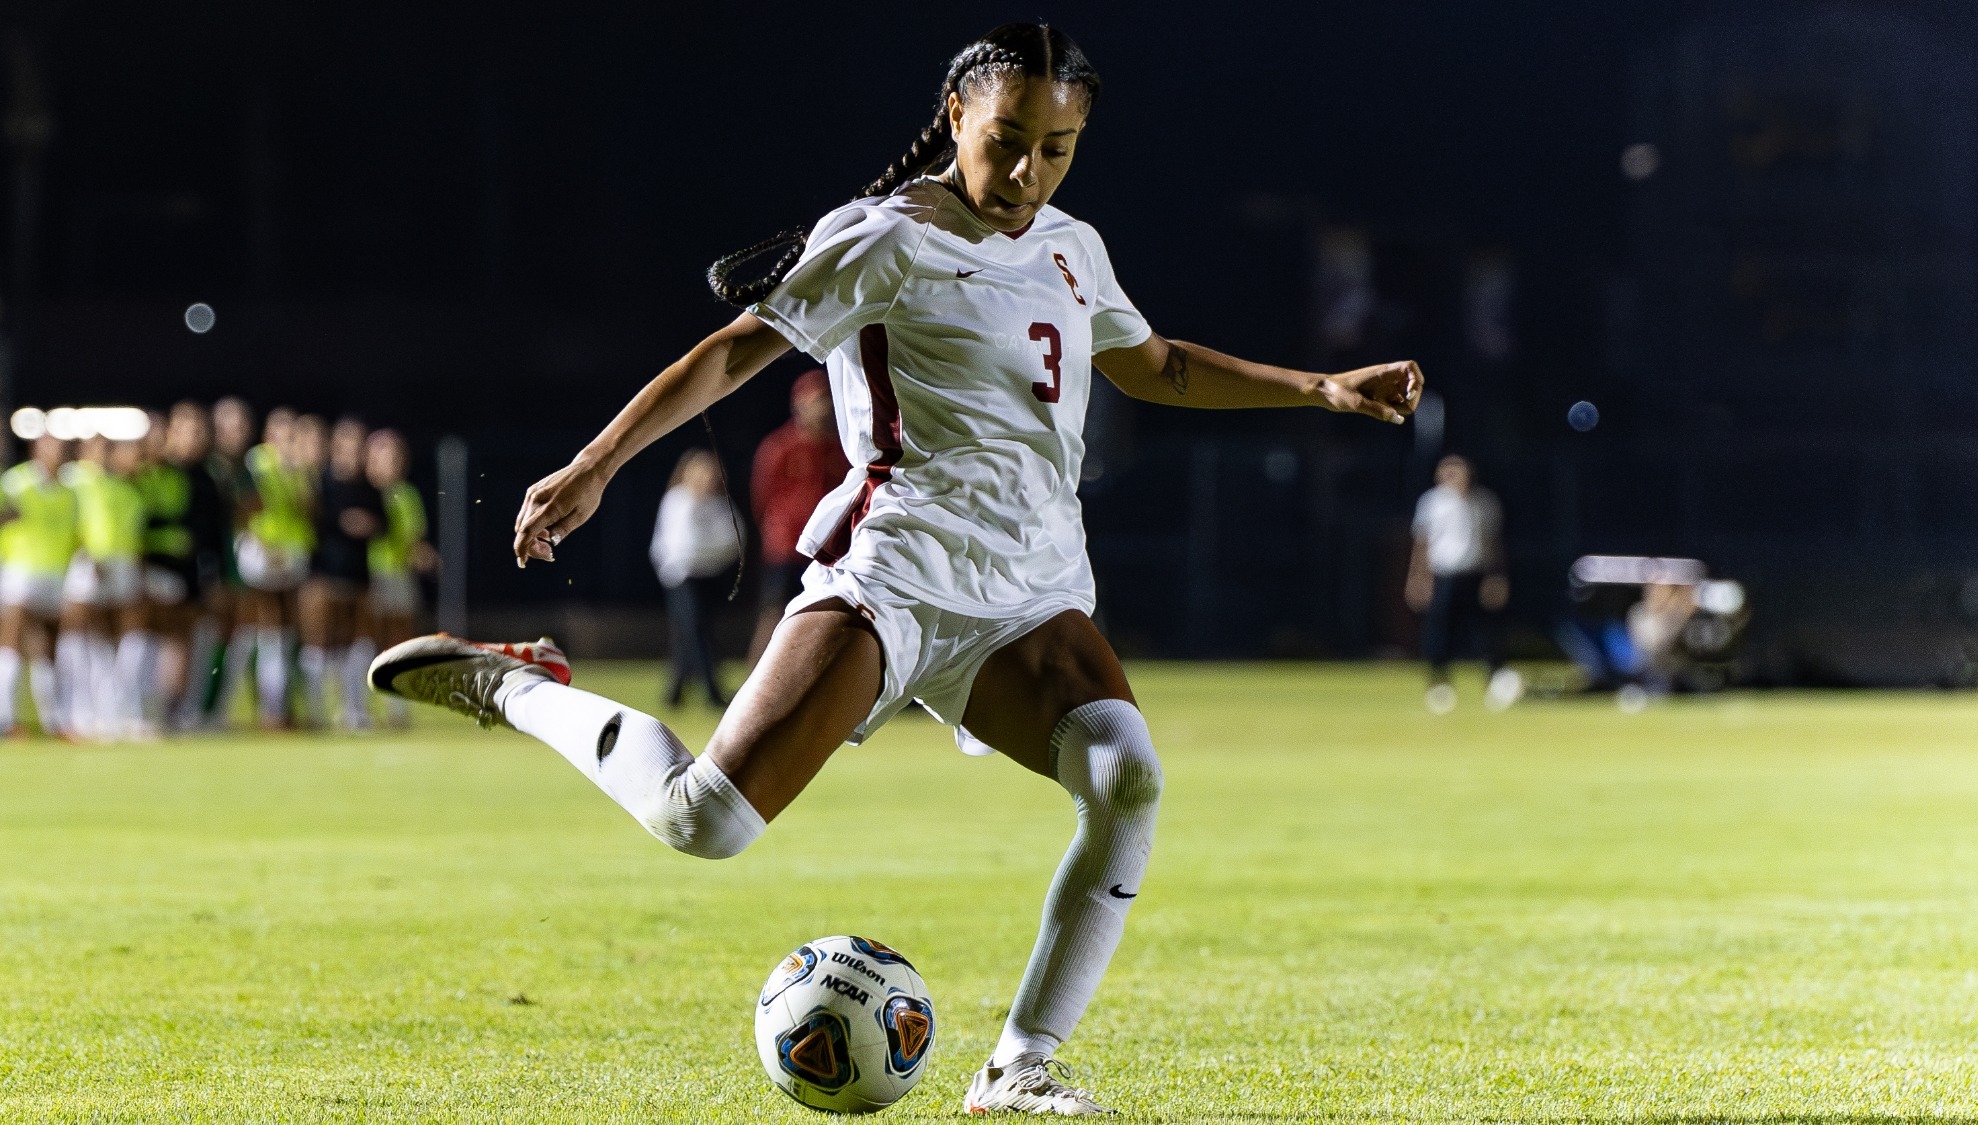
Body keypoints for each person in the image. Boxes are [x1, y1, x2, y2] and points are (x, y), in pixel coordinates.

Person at [370, 23, 1419, 1116]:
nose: (1025, 171)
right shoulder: (886, 236)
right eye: (1006, 138)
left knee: (1125, 776)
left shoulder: (1072, 246)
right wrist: (593, 465)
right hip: (897, 574)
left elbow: (1153, 366)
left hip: (1033, 589)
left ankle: (1017, 1067)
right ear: (957, 116)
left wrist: (1316, 389)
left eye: (1056, 147)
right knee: (703, 821)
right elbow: (736, 349)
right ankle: (516, 687)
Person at [747, 369, 848, 668]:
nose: (824, 408)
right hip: (787, 549)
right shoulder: (779, 447)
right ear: (799, 404)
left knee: (827, 614)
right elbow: (762, 498)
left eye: (827, 401)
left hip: (828, 550)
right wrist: (777, 533)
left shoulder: (840, 448)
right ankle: (754, 681)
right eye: (817, 401)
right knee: (774, 613)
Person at [135, 403, 226, 731]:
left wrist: (215, 574)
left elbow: (213, 531)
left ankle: (173, 710)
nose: (193, 438)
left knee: (185, 639)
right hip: (154, 567)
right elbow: (142, 521)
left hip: (192, 572)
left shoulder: (206, 477)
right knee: (148, 636)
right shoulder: (154, 471)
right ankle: (139, 709)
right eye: (186, 430)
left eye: (199, 431)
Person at [58, 434, 149, 740]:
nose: (105, 452)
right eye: (98, 446)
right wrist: (86, 553)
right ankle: (80, 715)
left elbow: (132, 533)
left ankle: (120, 712)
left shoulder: (127, 488)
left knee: (126, 636)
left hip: (122, 563)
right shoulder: (72, 479)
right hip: (85, 563)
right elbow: (66, 521)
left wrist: (136, 567)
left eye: (109, 447)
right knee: (82, 635)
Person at [1405, 453, 1512, 712]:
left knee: (1482, 631)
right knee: (1439, 630)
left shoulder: (1484, 501)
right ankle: (1439, 682)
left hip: (1475, 573)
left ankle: (1495, 680)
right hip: (1444, 574)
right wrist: (1417, 578)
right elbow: (1421, 544)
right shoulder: (1432, 502)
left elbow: (1495, 543)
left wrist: (1497, 577)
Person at [299, 417, 383, 730]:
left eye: (358, 445)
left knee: (358, 644)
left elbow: (383, 524)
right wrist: (341, 523)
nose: (352, 451)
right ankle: (317, 710)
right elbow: (312, 520)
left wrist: (370, 524)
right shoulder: (319, 483)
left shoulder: (370, 487)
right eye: (346, 444)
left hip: (358, 575)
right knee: (319, 644)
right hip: (323, 573)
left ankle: (354, 710)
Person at [236, 408, 316, 728]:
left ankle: (281, 708)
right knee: (268, 630)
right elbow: (245, 507)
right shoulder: (258, 462)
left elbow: (305, 511)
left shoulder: (296, 468)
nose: (287, 439)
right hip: (263, 553)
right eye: (280, 432)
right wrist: (265, 546)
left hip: (291, 553)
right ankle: (271, 710)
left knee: (284, 632)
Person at [649, 448, 741, 709]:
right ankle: (713, 692)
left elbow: (734, 540)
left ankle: (674, 694)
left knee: (688, 633)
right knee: (696, 631)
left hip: (711, 577)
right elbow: (682, 544)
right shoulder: (678, 500)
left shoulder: (721, 504)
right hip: (682, 576)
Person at [0, 433, 79, 735]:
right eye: (52, 446)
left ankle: (53, 720)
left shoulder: (70, 491)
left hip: (56, 576)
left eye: (63, 446)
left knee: (47, 648)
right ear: (36, 449)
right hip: (20, 572)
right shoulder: (15, 482)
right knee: (11, 643)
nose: (58, 452)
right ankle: (6, 719)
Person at [363, 428, 434, 729]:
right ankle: (360, 710)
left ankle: (396, 709)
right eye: (381, 455)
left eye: (393, 456)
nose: (388, 462)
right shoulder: (363, 492)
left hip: (399, 574)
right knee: (367, 641)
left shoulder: (406, 494)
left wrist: (423, 554)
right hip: (369, 574)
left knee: (399, 644)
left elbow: (414, 536)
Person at [202, 397, 259, 726]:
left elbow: (251, 510)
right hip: (213, 562)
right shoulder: (209, 468)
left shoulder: (246, 472)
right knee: (211, 635)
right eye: (228, 425)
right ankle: (199, 707)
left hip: (238, 562)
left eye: (241, 426)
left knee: (238, 635)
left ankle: (218, 709)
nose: (235, 433)